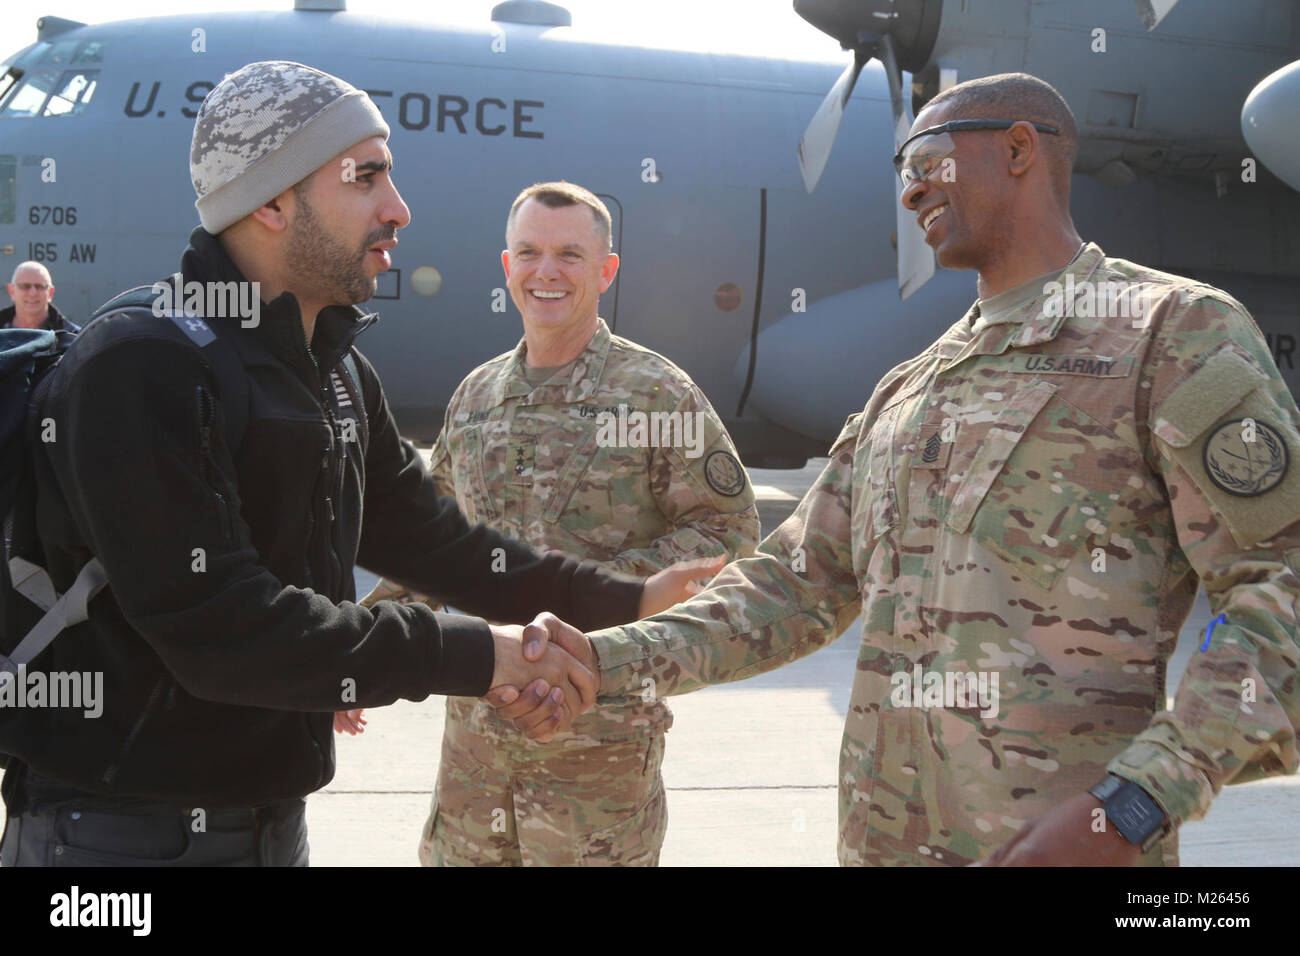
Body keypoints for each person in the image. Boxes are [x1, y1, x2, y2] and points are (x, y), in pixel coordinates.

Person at [493, 72, 1300, 867]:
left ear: (1019, 149)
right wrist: (606, 660)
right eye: (901, 175)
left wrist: (1133, 808)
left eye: (924, 163)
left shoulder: (1170, 333)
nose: (909, 194)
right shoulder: (910, 387)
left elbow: (1282, 591)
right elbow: (791, 583)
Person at [0, 61, 706, 867]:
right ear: (269, 200)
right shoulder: (140, 364)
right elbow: (222, 627)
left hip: (271, 825)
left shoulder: (332, 370)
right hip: (109, 839)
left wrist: (624, 599)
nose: (397, 210)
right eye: (364, 178)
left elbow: (442, 548)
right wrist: (481, 655)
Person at [347, 181, 760, 866]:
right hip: (476, 759)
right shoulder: (476, 398)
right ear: (506, 267)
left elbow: (728, 537)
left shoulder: (657, 394)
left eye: (570, 254)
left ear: (606, 270)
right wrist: (358, 656)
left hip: (597, 764)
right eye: (530, 252)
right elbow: (430, 545)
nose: (547, 272)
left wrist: (578, 600)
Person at [2, 262, 79, 333]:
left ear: (50, 293)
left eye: (40, 286)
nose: (33, 293)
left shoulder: (72, 337)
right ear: (12, 291)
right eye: (25, 286)